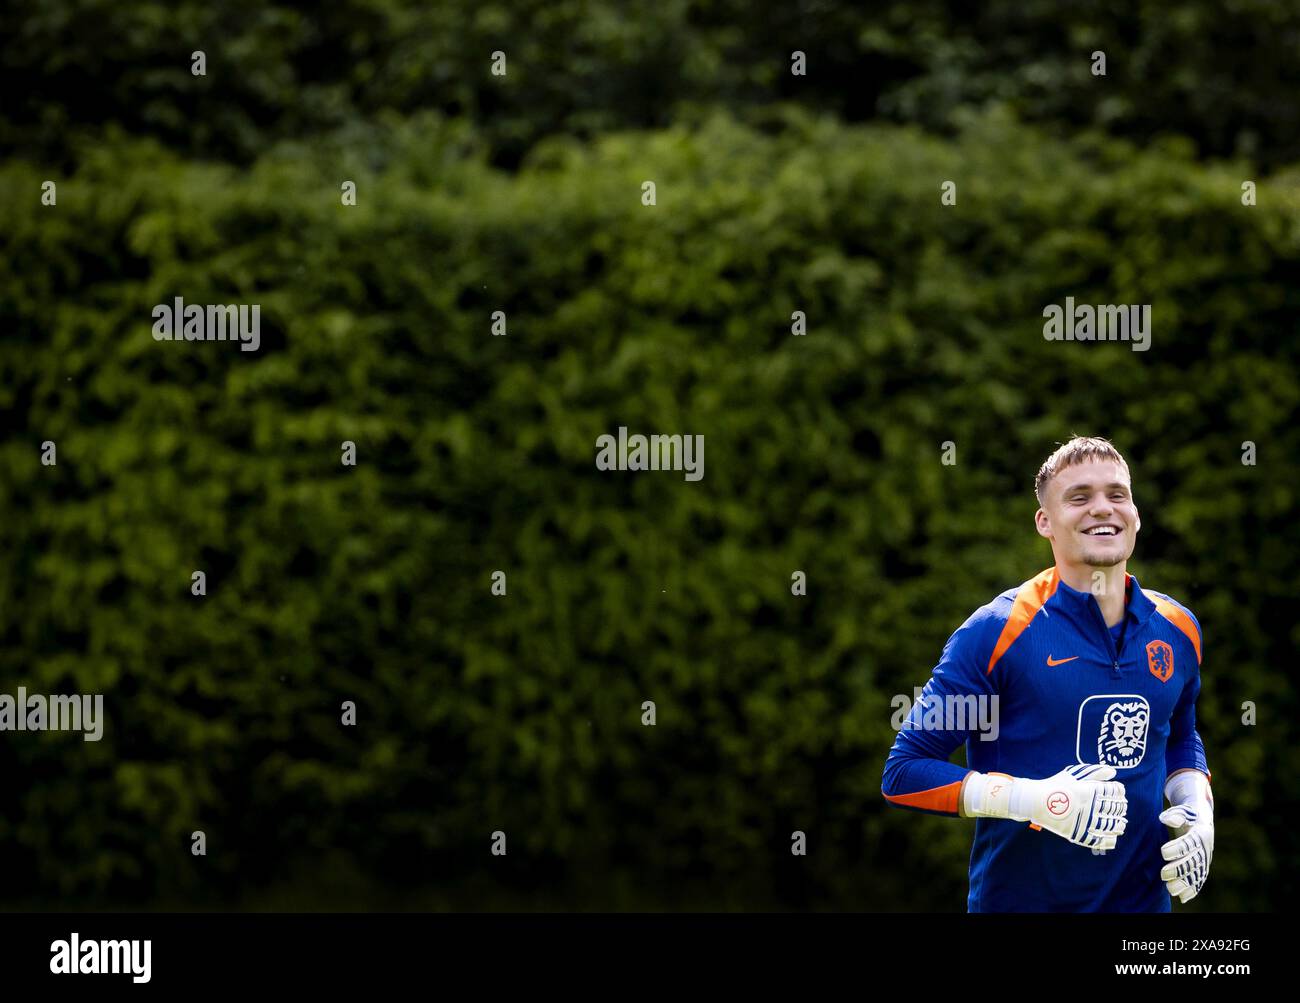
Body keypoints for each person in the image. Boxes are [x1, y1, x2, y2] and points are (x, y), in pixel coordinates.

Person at [880, 436, 1213, 911]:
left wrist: (1198, 809)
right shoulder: (997, 632)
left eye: (1117, 495)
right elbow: (905, 772)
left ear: (1136, 515)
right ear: (1045, 522)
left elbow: (1180, 735)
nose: (1103, 509)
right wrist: (1033, 801)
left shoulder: (1178, 629)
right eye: (1079, 497)